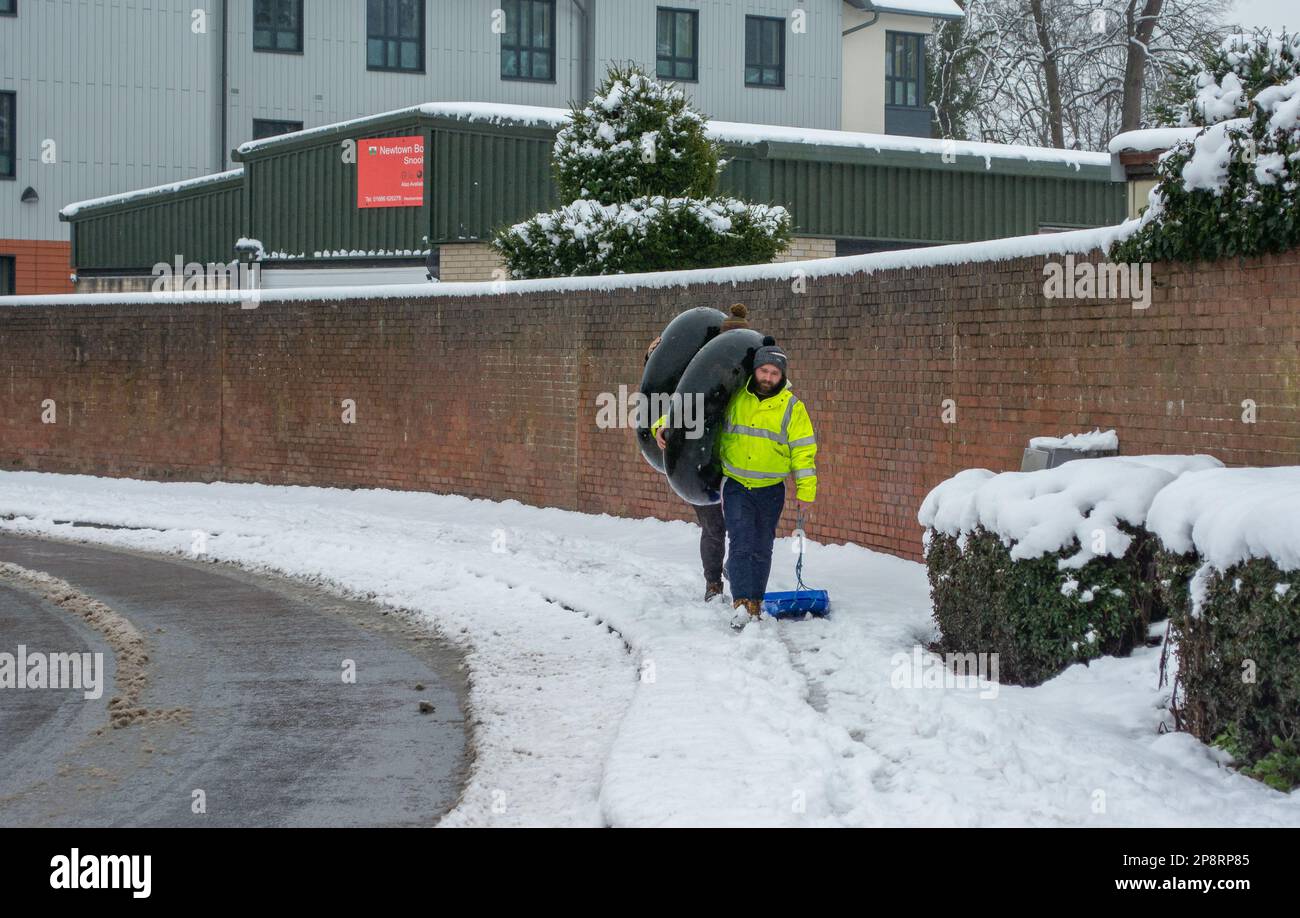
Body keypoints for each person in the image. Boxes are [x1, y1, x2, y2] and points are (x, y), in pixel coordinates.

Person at [661, 342, 816, 627]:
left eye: (774, 373)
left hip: (771, 488)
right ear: (755, 370)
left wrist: (806, 491)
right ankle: (742, 603)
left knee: (762, 545)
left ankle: (755, 601)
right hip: (736, 485)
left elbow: (804, 452)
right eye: (763, 370)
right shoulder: (734, 397)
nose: (768, 377)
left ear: (782, 376)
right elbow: (694, 404)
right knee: (742, 541)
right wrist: (665, 425)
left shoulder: (793, 408)